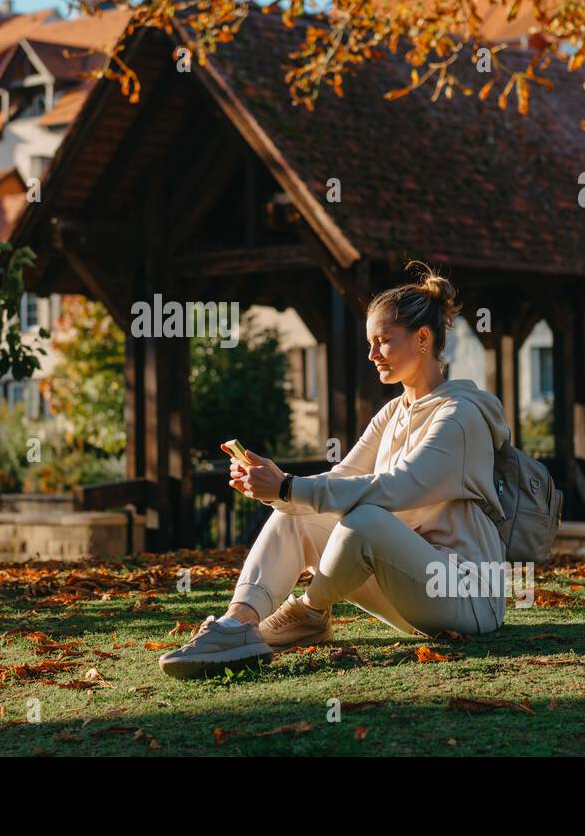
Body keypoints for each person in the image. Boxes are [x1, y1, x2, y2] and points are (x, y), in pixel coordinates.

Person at [159, 262, 512, 679]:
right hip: (412, 590)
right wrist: (276, 488)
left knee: (363, 519)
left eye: (383, 341)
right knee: (294, 517)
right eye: (370, 342)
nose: (372, 354)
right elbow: (342, 478)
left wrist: (291, 486)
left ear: (422, 339)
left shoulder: (459, 417)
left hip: (466, 597)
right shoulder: (394, 412)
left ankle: (308, 612)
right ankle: (238, 624)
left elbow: (395, 489)